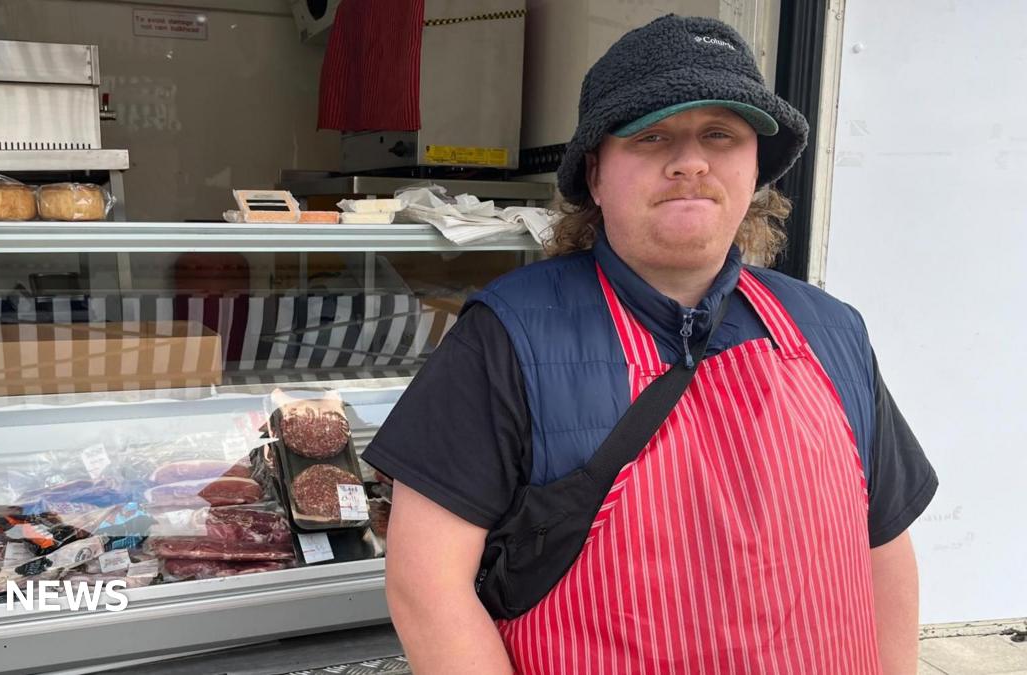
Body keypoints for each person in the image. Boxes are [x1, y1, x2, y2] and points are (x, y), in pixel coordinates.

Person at [362, 13, 938, 675]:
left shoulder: (830, 330)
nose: (690, 160)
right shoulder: (507, 335)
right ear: (597, 175)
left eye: (720, 134)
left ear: (756, 168)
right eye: (651, 135)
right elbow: (426, 582)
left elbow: (884, 545)